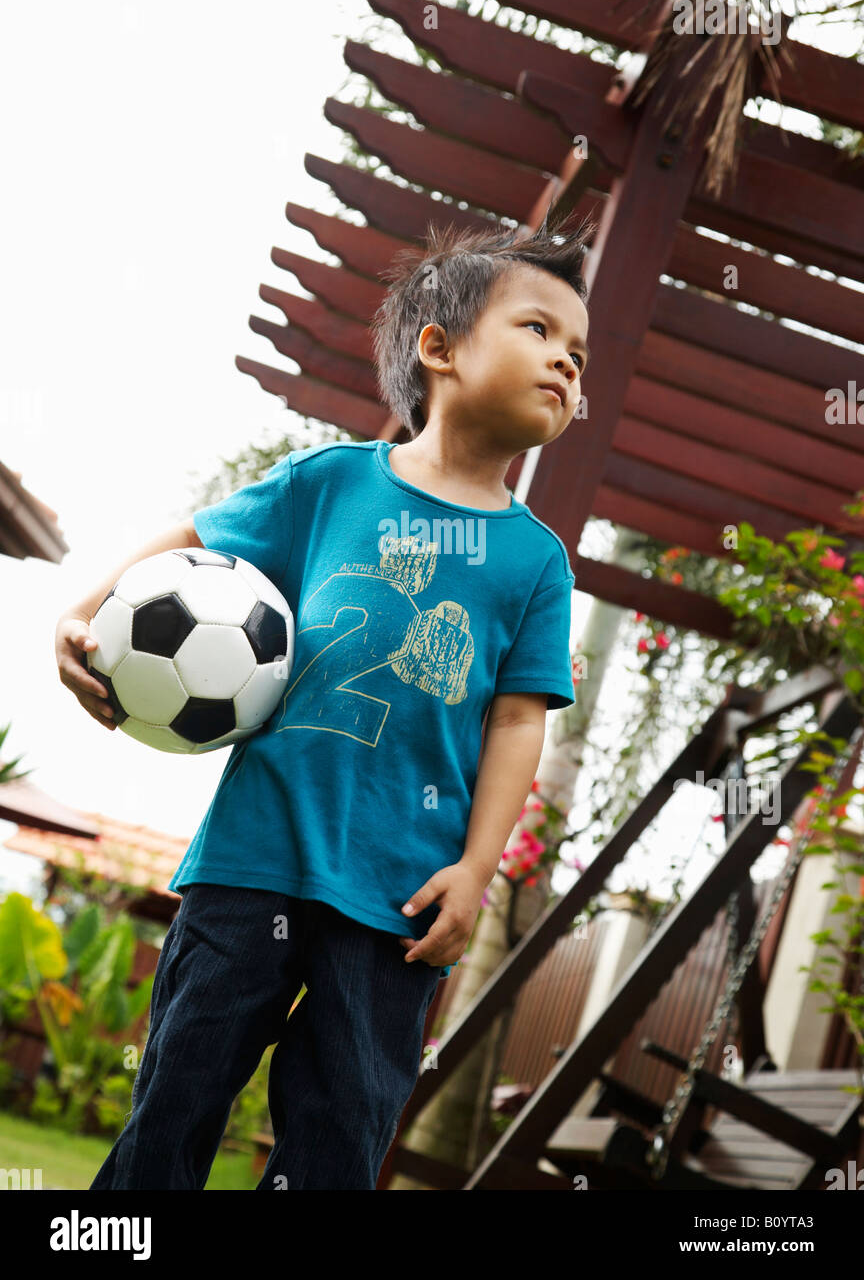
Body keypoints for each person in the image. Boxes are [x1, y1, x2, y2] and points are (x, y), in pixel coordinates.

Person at [54, 211, 593, 1190]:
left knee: (339, 1139)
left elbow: (519, 718)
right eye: (538, 330)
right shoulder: (329, 486)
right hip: (250, 863)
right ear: (439, 348)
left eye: (579, 352)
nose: (567, 363)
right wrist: (86, 613)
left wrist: (476, 868)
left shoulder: (536, 564)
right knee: (173, 1104)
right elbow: (190, 537)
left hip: (397, 906)